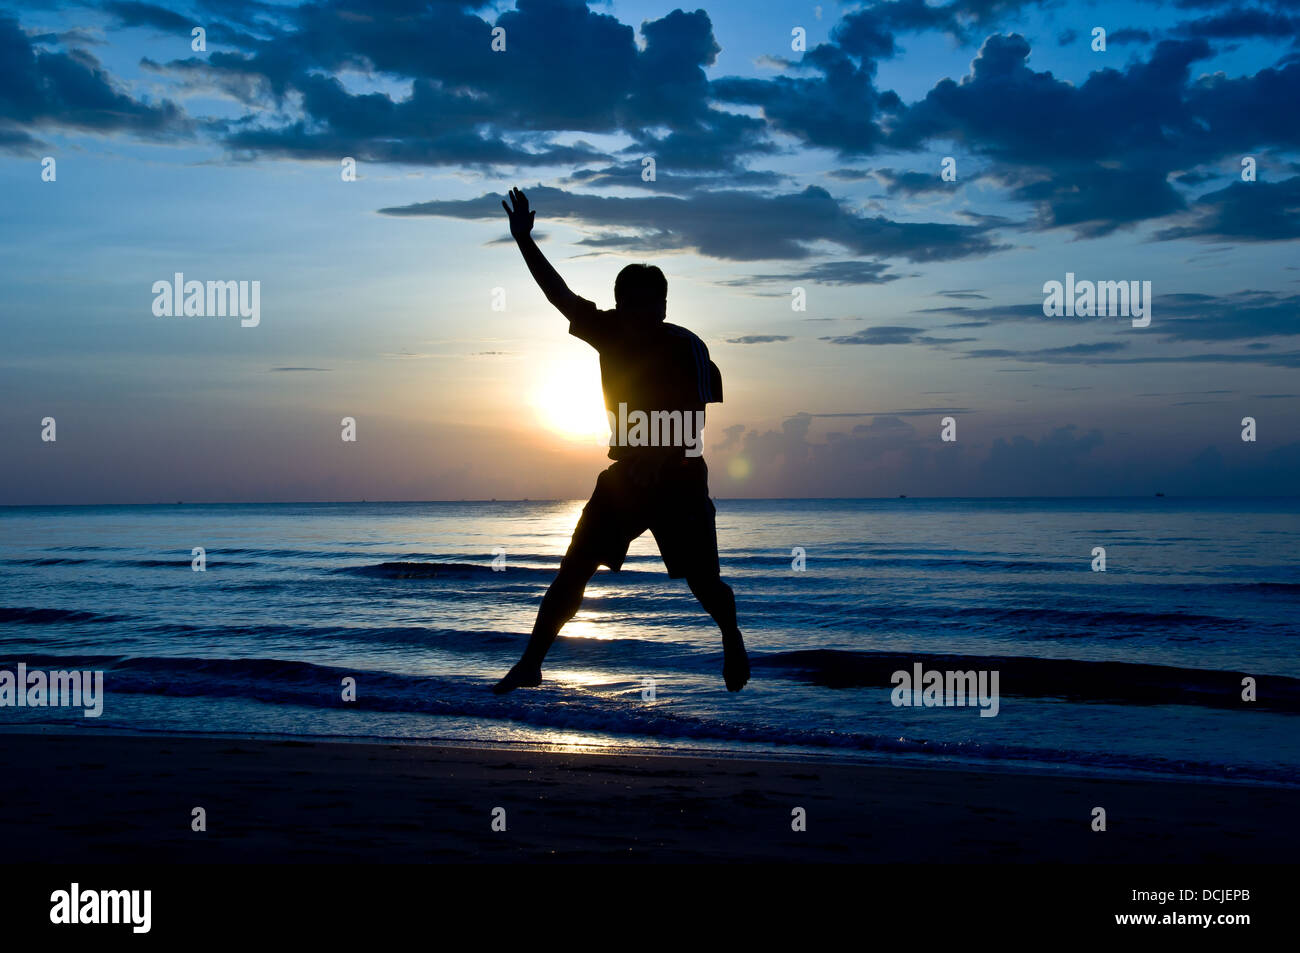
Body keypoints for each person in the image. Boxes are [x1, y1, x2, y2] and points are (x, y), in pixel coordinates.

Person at [492, 187, 750, 694]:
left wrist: (662, 460)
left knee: (704, 583)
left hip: (679, 480)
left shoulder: (688, 346)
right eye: (631, 306)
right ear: (620, 305)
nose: (641, 316)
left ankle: (731, 636)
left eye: (652, 305)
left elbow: (694, 419)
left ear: (663, 305)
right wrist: (524, 240)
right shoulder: (607, 331)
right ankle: (531, 663)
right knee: (573, 571)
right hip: (625, 479)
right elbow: (557, 294)